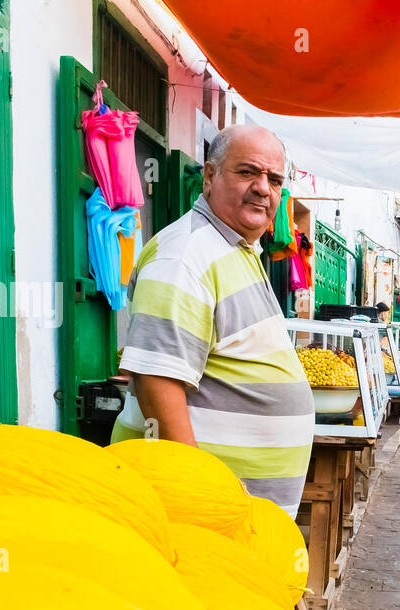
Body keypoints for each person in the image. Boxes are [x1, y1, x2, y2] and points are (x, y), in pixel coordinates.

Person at [112, 125, 313, 516]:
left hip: (235, 517)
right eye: (247, 172)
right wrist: (199, 490)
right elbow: (158, 380)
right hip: (196, 515)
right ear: (209, 176)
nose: (262, 188)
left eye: (274, 180)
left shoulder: (238, 249)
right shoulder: (185, 256)